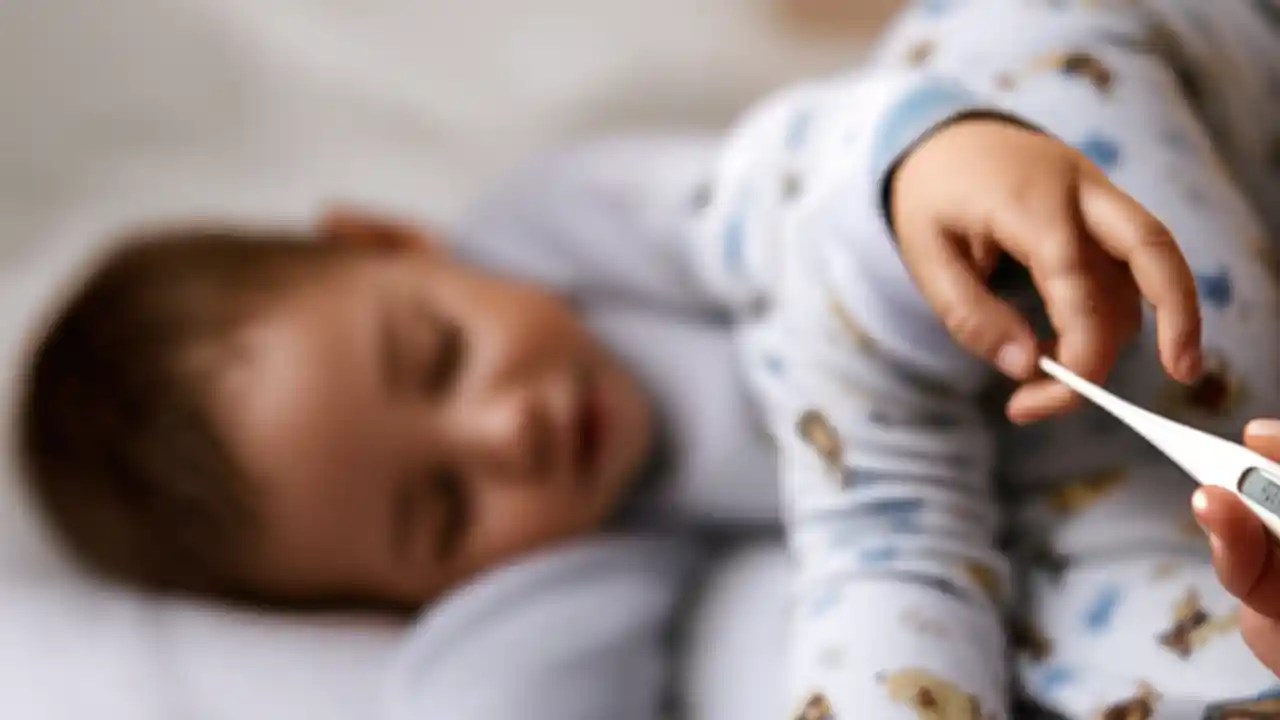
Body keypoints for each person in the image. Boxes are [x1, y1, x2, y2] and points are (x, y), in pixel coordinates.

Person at [14, 0, 1279, 718]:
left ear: (394, 240)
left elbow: (764, 195)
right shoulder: (564, 596)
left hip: (988, 274)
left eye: (438, 356)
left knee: (1005, 42)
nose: (498, 433)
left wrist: (906, 174)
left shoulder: (550, 225)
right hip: (1034, 524)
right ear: (398, 599)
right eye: (439, 511)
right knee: (1114, 673)